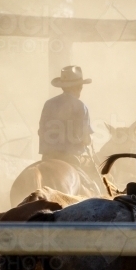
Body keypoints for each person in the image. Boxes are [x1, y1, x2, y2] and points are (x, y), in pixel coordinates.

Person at [38, 65, 101, 193]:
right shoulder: (81, 107)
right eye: (81, 87)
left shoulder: (48, 104)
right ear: (78, 87)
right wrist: (89, 140)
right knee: (95, 185)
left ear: (62, 86)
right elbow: (86, 138)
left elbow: (40, 131)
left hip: (47, 156)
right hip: (70, 158)